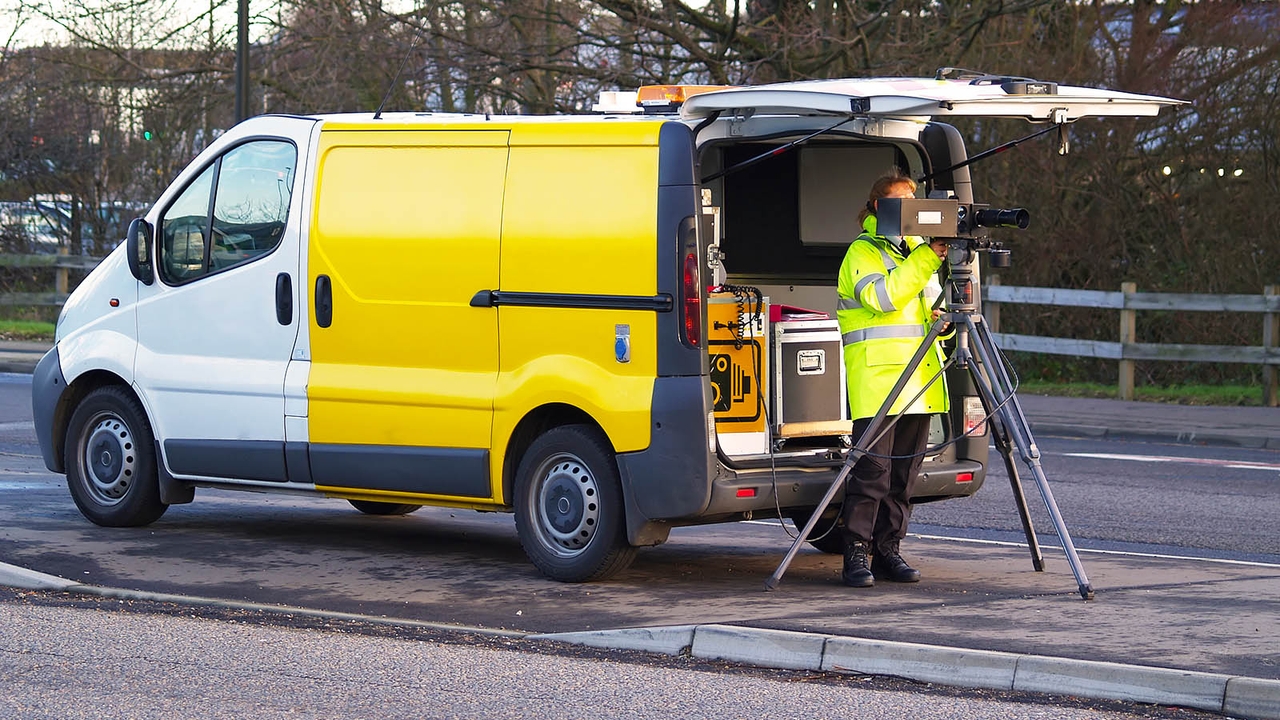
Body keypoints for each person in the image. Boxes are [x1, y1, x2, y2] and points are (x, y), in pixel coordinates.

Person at [834, 171, 949, 588]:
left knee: (903, 478)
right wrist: (926, 260)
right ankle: (856, 555)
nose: (913, 212)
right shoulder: (861, 253)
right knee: (872, 476)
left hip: (919, 379)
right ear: (881, 208)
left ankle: (888, 550)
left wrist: (944, 322)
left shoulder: (917, 251)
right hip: (879, 382)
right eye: (904, 203)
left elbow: (929, 305)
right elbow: (884, 299)